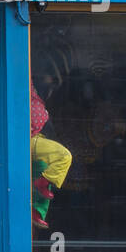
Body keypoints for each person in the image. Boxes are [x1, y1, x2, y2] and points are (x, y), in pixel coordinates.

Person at [30, 80, 72, 230]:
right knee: (64, 156)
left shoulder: (40, 102)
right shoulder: (29, 93)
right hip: (27, 140)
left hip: (37, 140)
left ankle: (36, 211)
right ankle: (41, 183)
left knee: (45, 167)